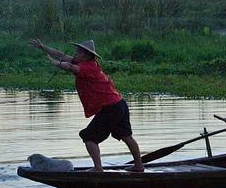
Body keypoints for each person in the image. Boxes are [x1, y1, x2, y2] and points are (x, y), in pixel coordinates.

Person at [29, 38, 144, 173]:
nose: (76, 53)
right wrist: (43, 47)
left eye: (79, 52)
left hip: (111, 107)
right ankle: (139, 166)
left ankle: (98, 168)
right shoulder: (82, 62)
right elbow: (61, 55)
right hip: (119, 104)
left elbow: (71, 67)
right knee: (125, 135)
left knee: (89, 136)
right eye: (76, 51)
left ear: (87, 55)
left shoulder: (88, 67)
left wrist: (55, 63)